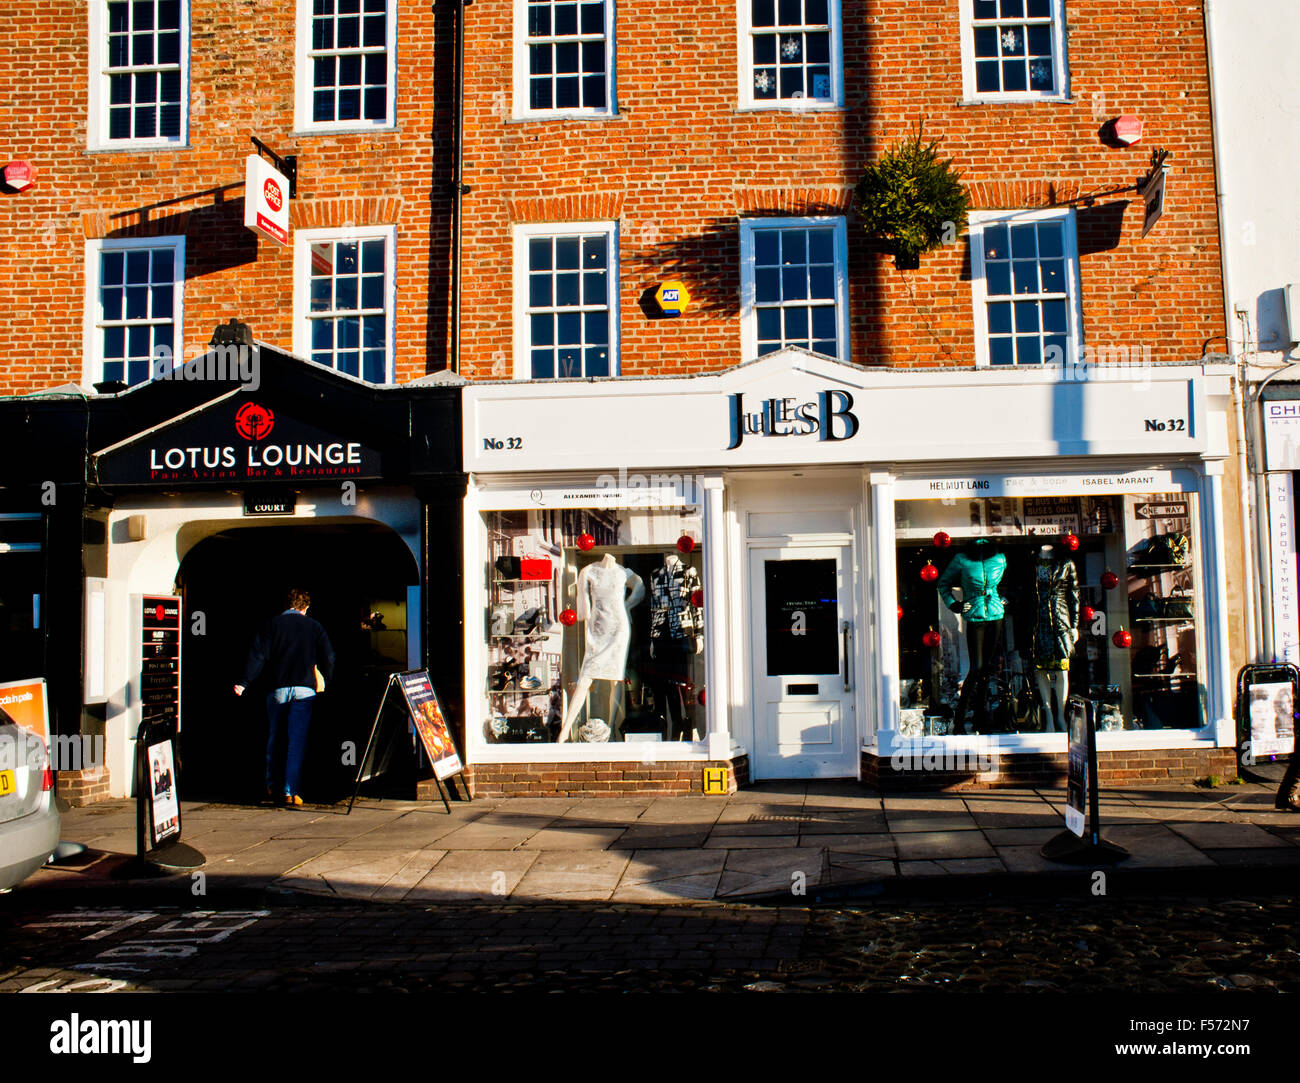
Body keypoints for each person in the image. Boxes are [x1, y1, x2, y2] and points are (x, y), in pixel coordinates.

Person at [234, 588, 336, 807]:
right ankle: (291, 791)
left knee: (275, 737)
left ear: (286, 604)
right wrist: (328, 678)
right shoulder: (314, 626)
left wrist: (244, 682)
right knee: (296, 741)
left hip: (278, 689)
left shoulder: (272, 625)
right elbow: (328, 655)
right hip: (305, 690)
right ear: (306, 607)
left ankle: (272, 786)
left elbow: (258, 655)